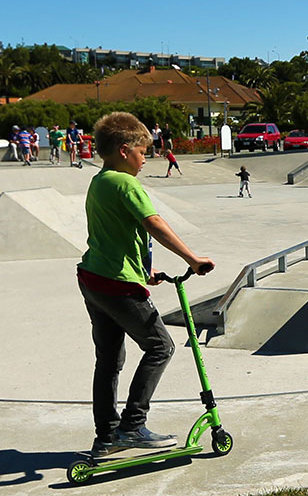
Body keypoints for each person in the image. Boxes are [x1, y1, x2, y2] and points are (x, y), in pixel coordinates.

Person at [76, 111, 214, 456]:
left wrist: (143, 269)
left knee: (109, 359)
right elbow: (152, 223)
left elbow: (114, 234)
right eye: (141, 152)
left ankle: (107, 435)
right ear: (124, 150)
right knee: (160, 347)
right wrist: (192, 259)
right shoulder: (126, 183)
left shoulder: (100, 180)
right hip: (117, 284)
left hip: (94, 278)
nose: (145, 159)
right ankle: (133, 426)